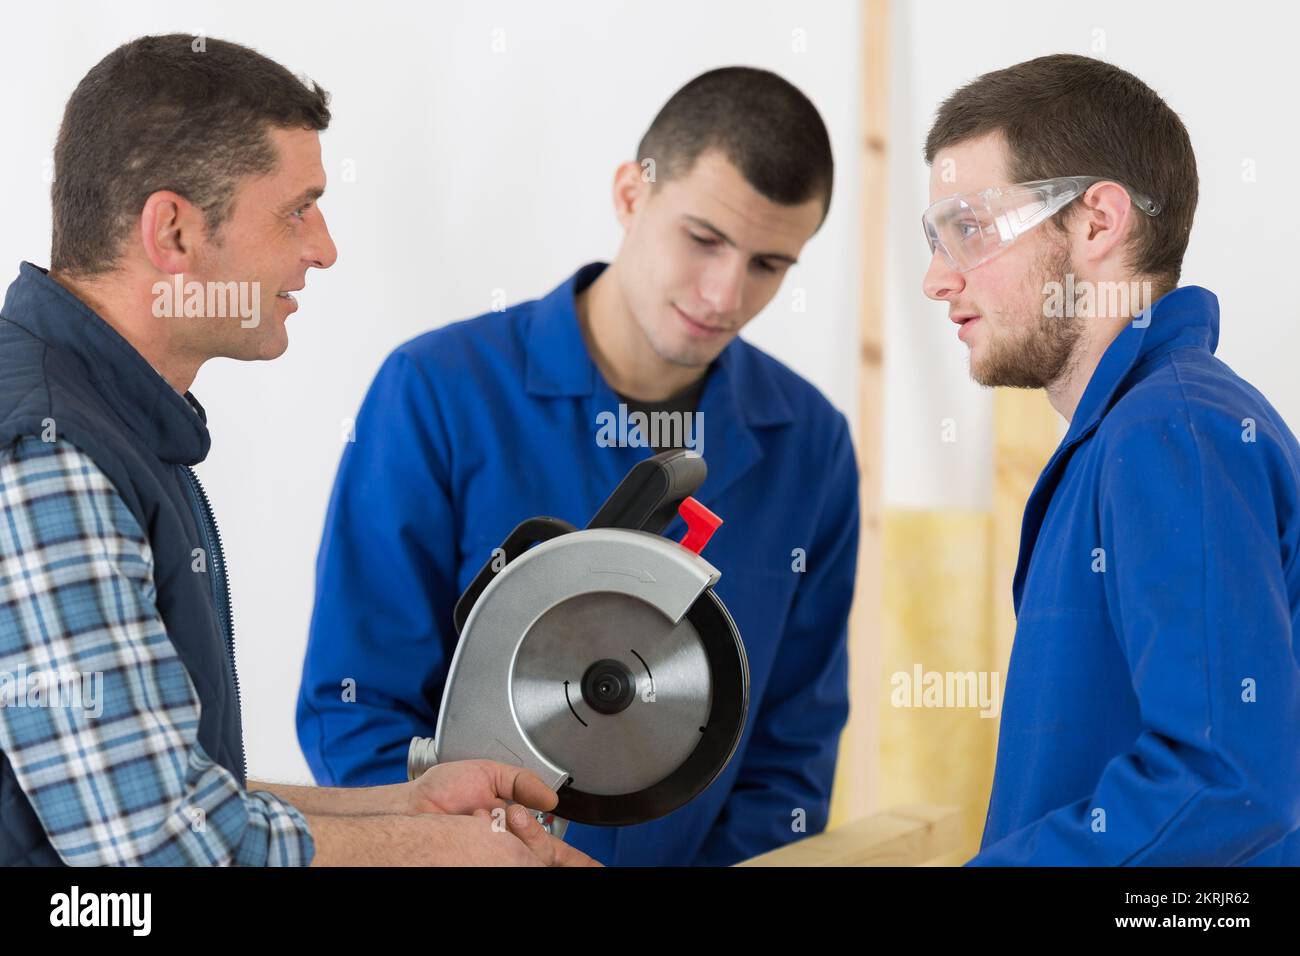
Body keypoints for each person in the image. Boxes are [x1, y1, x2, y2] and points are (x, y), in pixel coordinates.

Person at [0, 34, 594, 867]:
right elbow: (157, 850)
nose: (323, 246)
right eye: (295, 209)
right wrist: (445, 854)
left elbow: (172, 790)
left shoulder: (109, 424)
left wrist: (408, 804)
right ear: (172, 231)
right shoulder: (49, 455)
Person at [298, 67, 861, 866]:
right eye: (703, 239)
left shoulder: (812, 443)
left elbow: (790, 750)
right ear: (632, 194)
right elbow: (354, 705)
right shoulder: (435, 391)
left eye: (769, 265)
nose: (724, 293)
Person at [921, 53, 1300, 864]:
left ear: (1098, 222)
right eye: (935, 238)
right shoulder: (1135, 431)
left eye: (970, 229)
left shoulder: (1174, 433)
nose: (935, 278)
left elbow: (1222, 780)